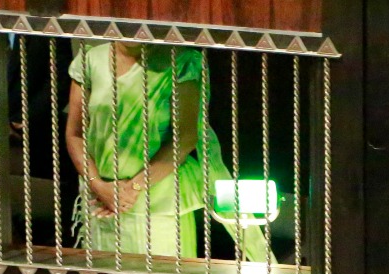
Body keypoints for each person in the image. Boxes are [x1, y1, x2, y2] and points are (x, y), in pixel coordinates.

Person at [64, 41, 266, 261]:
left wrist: (133, 188)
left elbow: (185, 137)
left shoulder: (181, 61)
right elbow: (75, 134)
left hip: (160, 203)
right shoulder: (91, 59)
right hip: (101, 202)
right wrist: (99, 186)